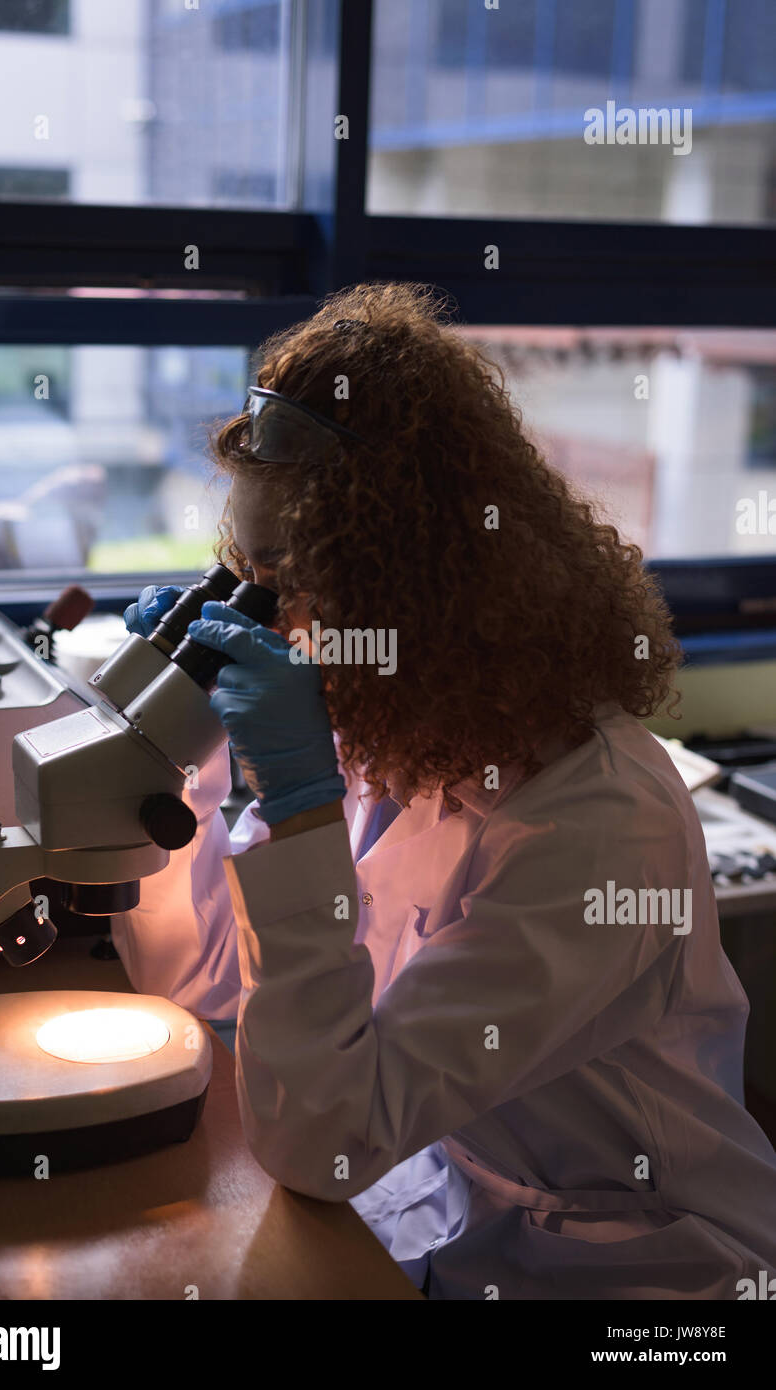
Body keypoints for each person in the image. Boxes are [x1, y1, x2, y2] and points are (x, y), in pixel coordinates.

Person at [113, 282, 776, 1300]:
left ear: (413, 587)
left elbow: (327, 1138)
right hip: (448, 1214)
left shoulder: (594, 822)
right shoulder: (395, 739)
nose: (263, 609)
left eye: (285, 578)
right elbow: (201, 986)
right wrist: (179, 756)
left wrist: (295, 815)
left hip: (638, 1272)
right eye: (243, 572)